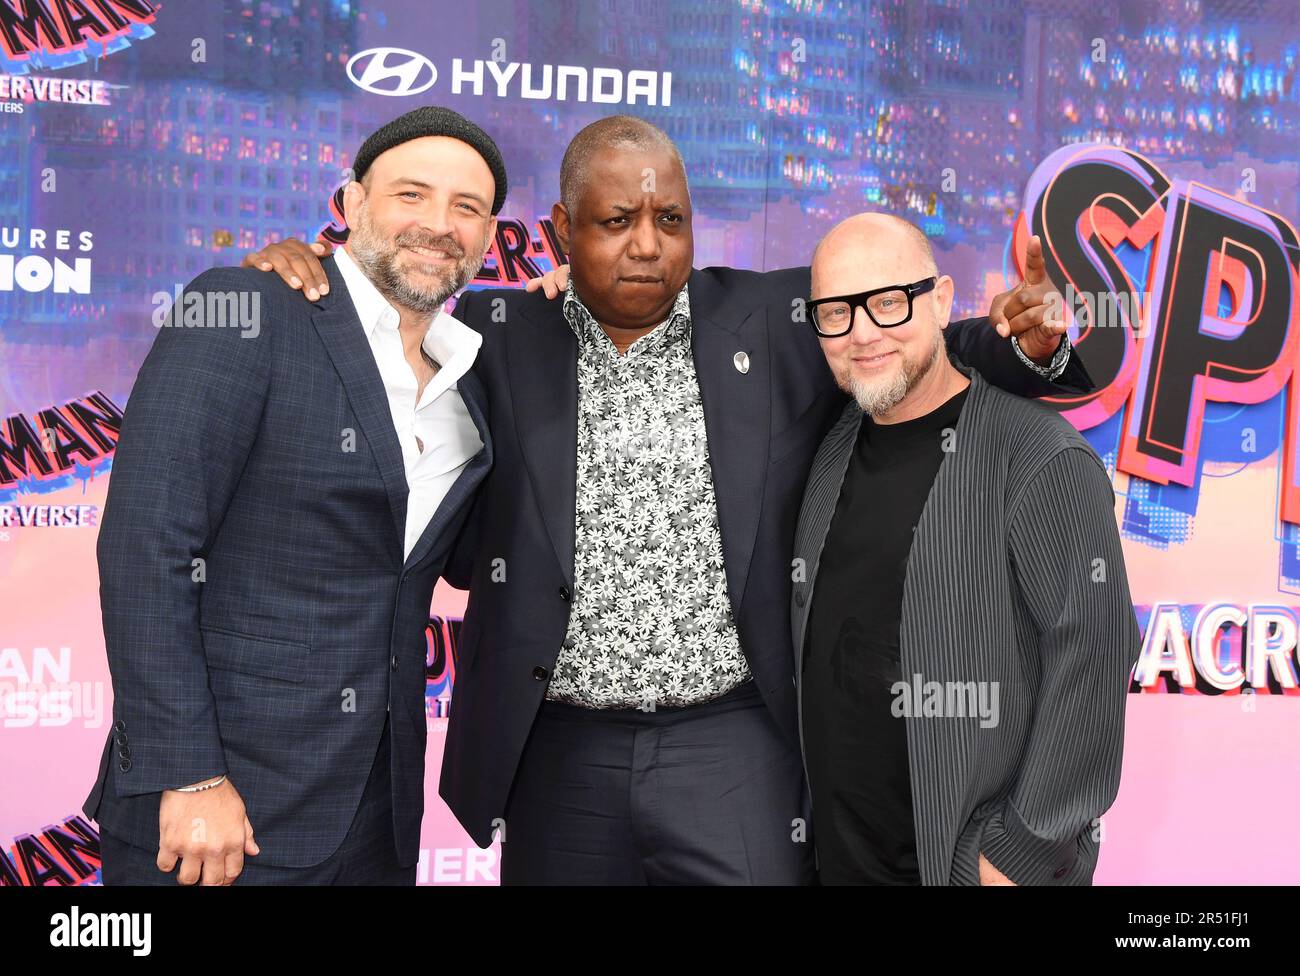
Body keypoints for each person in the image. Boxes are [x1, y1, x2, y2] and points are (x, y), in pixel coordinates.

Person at [245, 115, 1092, 885]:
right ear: (561, 233)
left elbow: (902, 331)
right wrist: (304, 274)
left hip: (734, 745)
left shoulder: (771, 318)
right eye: (616, 223)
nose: (647, 246)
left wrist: (1029, 341)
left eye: (670, 221)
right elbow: (379, 333)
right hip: (558, 750)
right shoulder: (497, 338)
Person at [83, 106, 505, 885]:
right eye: (411, 194)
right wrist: (191, 775)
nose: (438, 224)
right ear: (349, 205)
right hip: (218, 816)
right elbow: (147, 549)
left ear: (488, 235)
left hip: (376, 815)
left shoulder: (470, 379)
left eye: (466, 207)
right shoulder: (249, 312)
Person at [792, 213, 1138, 885]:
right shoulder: (828, 447)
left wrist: (1021, 855)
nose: (863, 333)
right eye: (836, 312)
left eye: (889, 302)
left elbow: (1094, 656)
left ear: (943, 301)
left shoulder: (1039, 456)